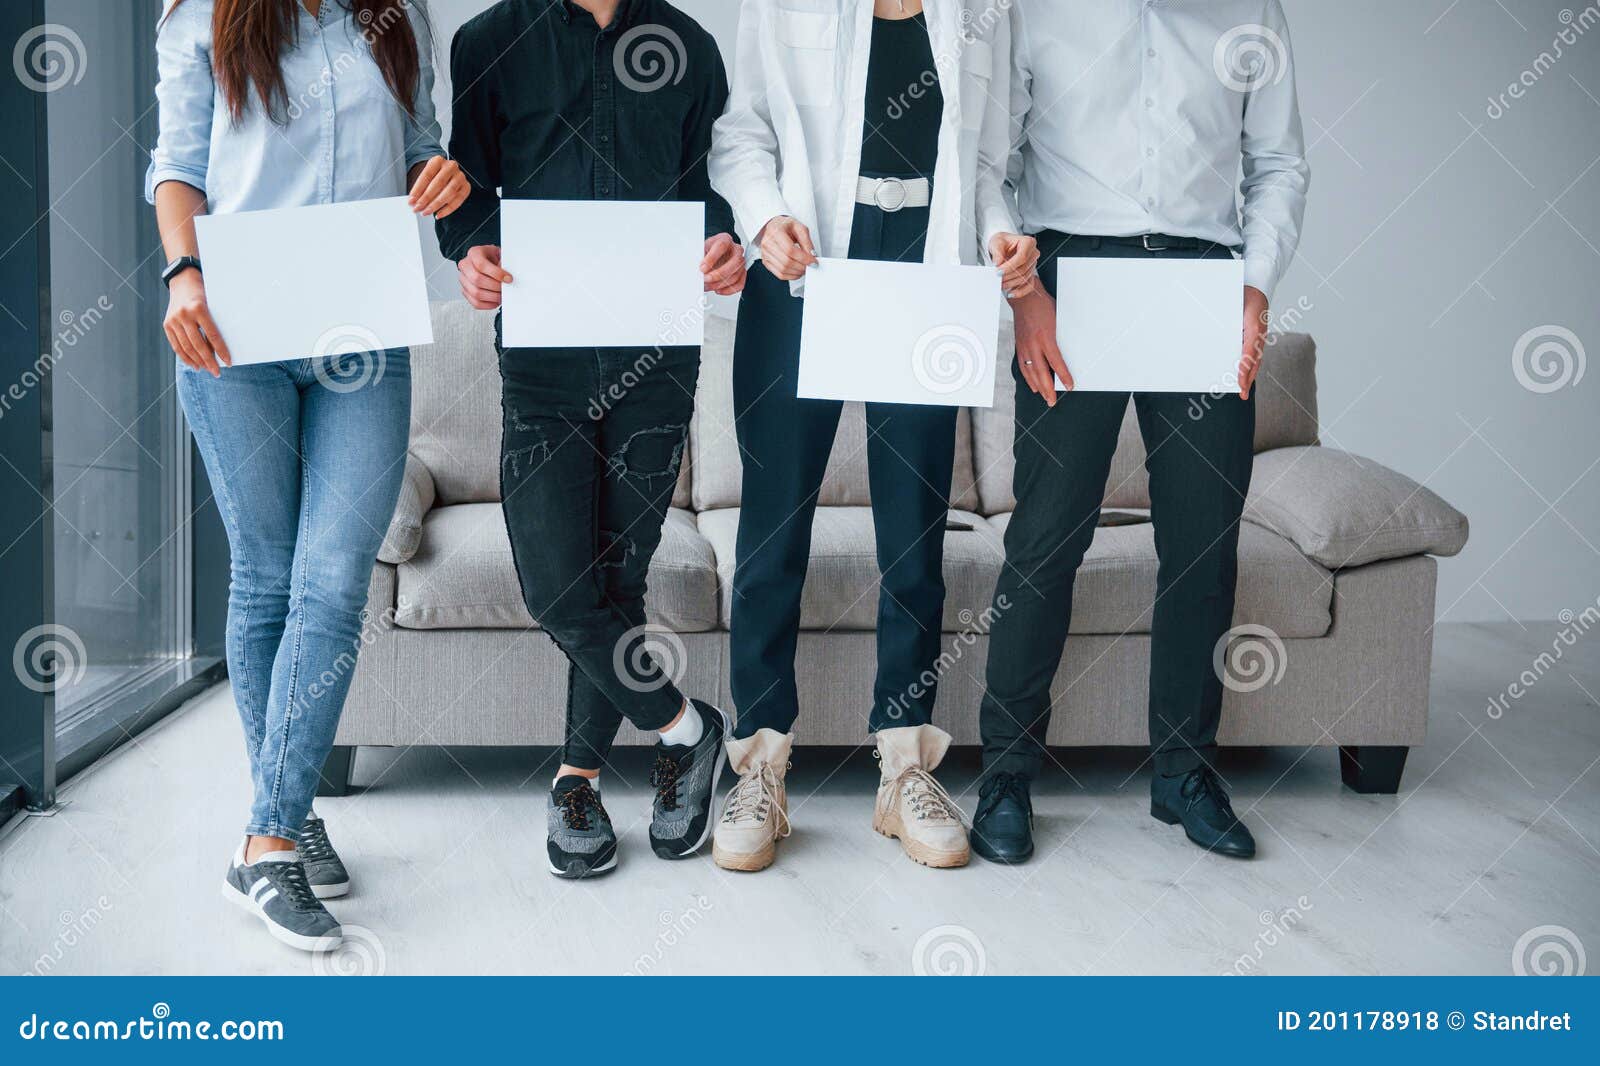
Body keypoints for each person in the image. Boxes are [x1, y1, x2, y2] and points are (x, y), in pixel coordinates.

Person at [149, 0, 465, 950]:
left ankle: (268, 835)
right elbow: (178, 167)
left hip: (361, 331)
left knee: (331, 584)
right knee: (267, 576)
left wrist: (436, 176)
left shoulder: (398, 15)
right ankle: (279, 828)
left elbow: (419, 148)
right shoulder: (203, 13)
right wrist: (184, 276)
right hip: (234, 328)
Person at [971, 0, 1310, 864]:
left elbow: (1276, 163)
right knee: (1046, 538)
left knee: (1204, 544)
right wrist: (1024, 291)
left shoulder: (1250, 14)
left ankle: (1186, 774)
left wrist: (1256, 284)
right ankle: (1007, 773)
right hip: (1069, 275)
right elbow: (990, 163)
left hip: (1205, 279)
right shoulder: (1033, 9)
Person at [708, 0, 1038, 872]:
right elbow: (742, 133)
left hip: (927, 276)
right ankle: (760, 765)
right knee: (773, 528)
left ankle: (904, 766)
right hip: (803, 266)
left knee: (915, 534)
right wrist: (764, 215)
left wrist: (1001, 234)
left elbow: (990, 161)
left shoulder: (984, 11)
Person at [439, 0, 746, 879]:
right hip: (542, 356)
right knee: (557, 586)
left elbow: (706, 185)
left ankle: (577, 779)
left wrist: (726, 239)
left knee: (618, 577)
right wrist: (471, 249)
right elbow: (467, 189)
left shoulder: (688, 47)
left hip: (657, 353)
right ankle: (690, 731)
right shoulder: (491, 42)